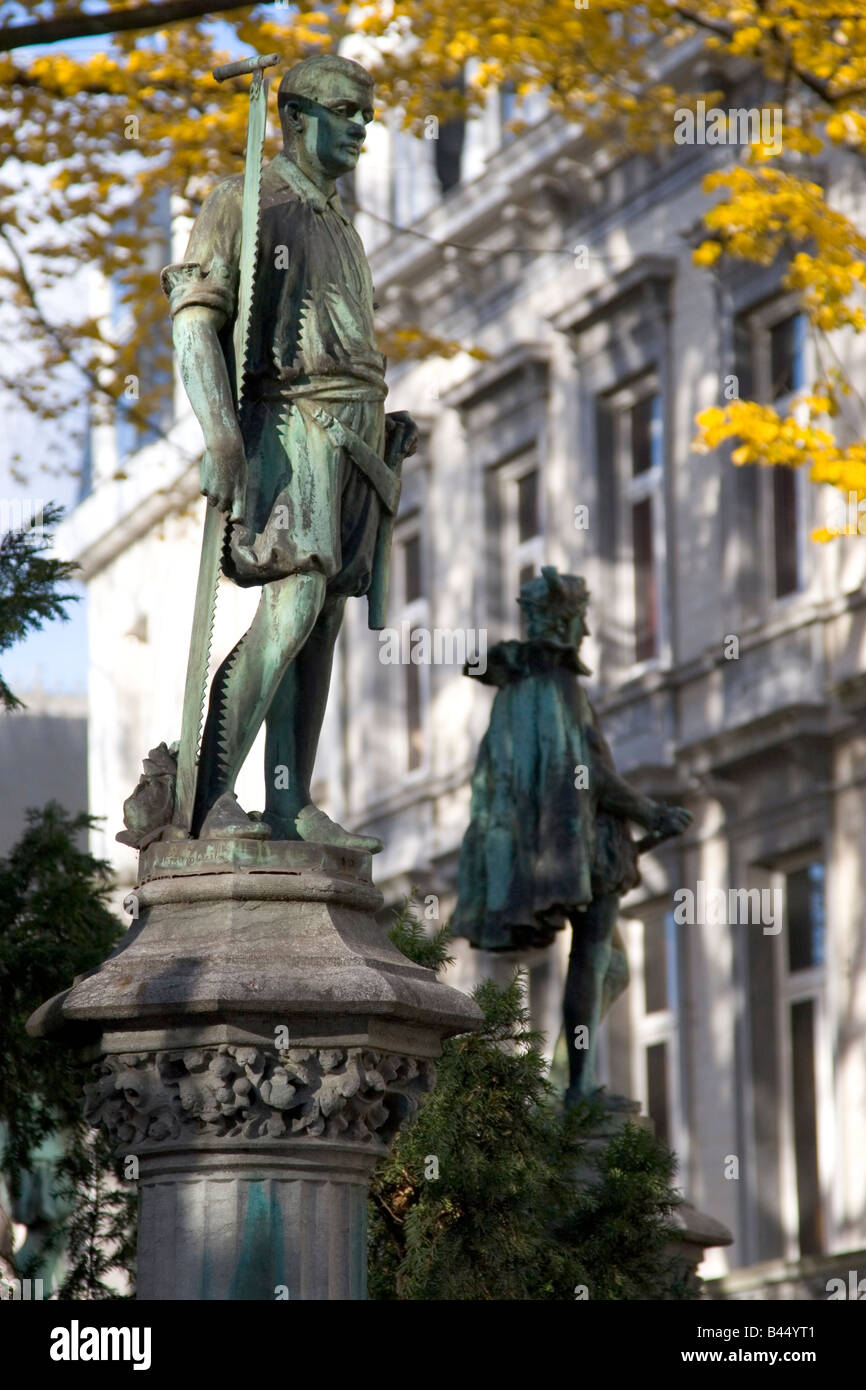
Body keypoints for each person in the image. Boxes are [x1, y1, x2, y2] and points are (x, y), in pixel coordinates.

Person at [161, 53, 417, 847]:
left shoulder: (339, 220)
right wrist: (221, 434)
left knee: (327, 614)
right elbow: (195, 318)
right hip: (288, 422)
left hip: (355, 435)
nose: (361, 130)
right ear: (296, 114)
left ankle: (288, 799)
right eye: (347, 112)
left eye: (367, 116)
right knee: (297, 596)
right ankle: (206, 801)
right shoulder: (246, 200)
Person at [451, 567, 691, 1103]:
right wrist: (653, 812)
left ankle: (564, 1082)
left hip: (568, 839)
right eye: (580, 619)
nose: (585, 631)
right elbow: (589, 773)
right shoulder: (556, 686)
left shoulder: (521, 688)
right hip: (587, 843)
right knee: (596, 958)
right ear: (565, 622)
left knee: (610, 965)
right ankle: (575, 1088)